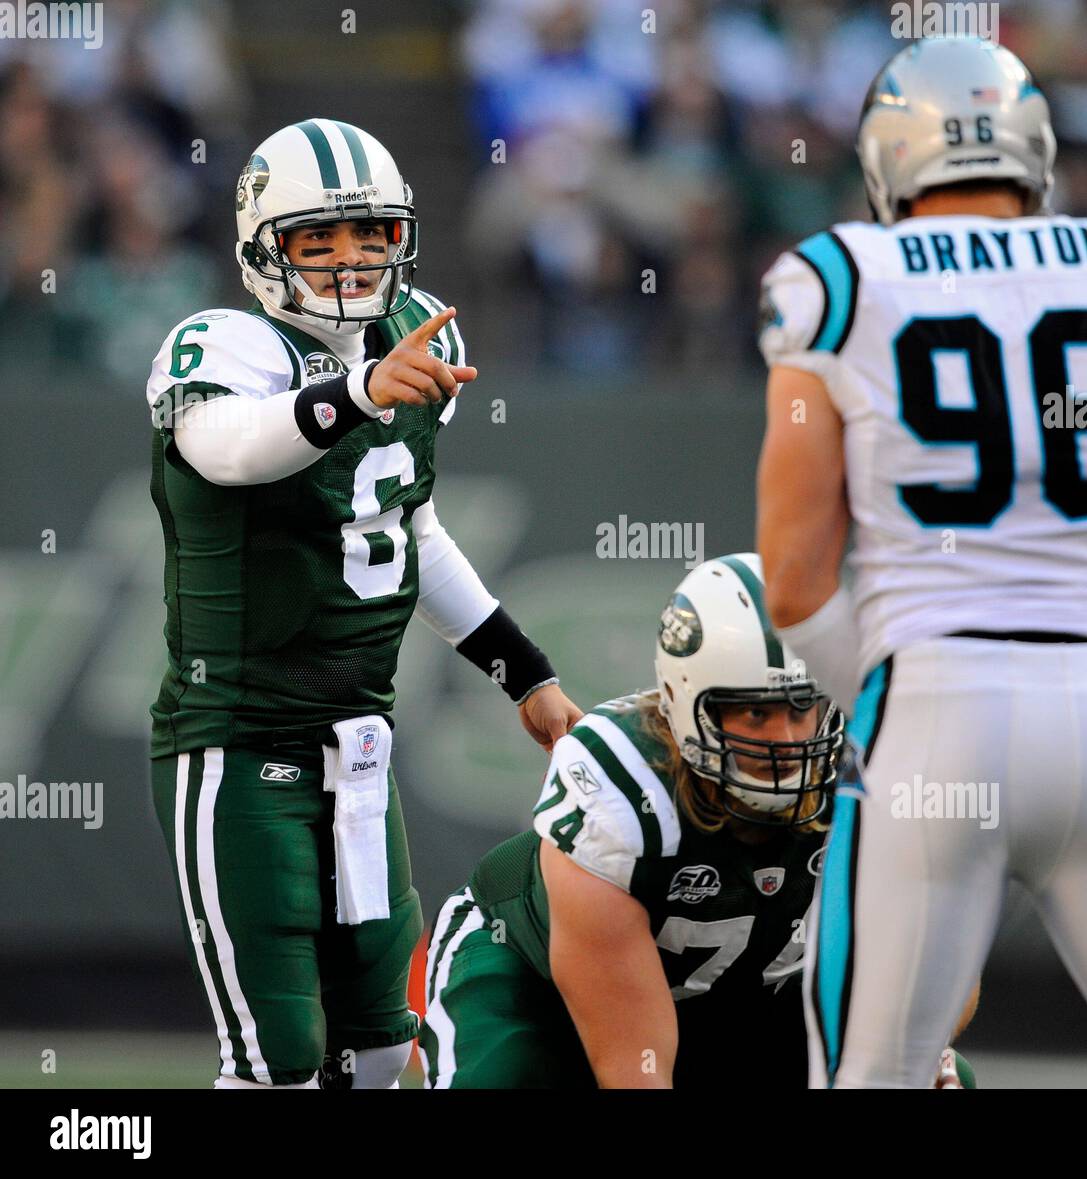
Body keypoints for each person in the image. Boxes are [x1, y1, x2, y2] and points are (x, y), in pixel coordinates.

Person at [755, 38, 1087, 1089]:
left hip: (932, 709)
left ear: (885, 163)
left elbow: (797, 581)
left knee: (872, 1079)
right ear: (1033, 153)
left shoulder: (838, 279)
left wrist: (883, 726)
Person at [145, 119, 582, 1089]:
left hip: (360, 745)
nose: (351, 258)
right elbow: (234, 447)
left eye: (371, 233)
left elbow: (405, 529)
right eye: (319, 239)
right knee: (279, 1058)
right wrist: (358, 391)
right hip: (238, 739)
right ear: (266, 249)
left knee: (385, 1044)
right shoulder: (221, 345)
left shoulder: (414, 331)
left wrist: (525, 674)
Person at [417, 553, 976, 1089]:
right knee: (502, 1077)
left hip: (745, 1005)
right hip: (537, 989)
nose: (785, 741)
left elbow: (947, 968)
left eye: (802, 707)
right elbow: (633, 1068)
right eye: (756, 712)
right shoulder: (623, 788)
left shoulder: (876, 772)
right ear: (684, 702)